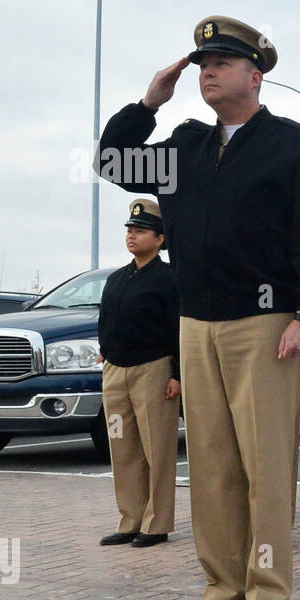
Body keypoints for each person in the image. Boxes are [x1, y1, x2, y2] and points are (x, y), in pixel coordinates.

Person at [98, 15, 300, 600]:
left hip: (264, 323)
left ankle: (267, 594)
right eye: (202, 63)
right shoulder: (184, 146)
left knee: (265, 462)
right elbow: (111, 161)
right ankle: (223, 589)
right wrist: (148, 103)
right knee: (209, 464)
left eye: (222, 63)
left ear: (254, 76)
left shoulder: (292, 143)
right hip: (194, 322)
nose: (207, 71)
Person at [98, 198, 180, 549]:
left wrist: (177, 373)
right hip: (116, 371)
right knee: (124, 449)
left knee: (156, 450)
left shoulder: (168, 278)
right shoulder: (119, 277)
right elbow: (105, 320)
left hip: (153, 370)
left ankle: (156, 523)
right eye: (130, 230)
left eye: (141, 230)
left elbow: (178, 327)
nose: (133, 236)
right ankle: (130, 519)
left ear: (160, 239)